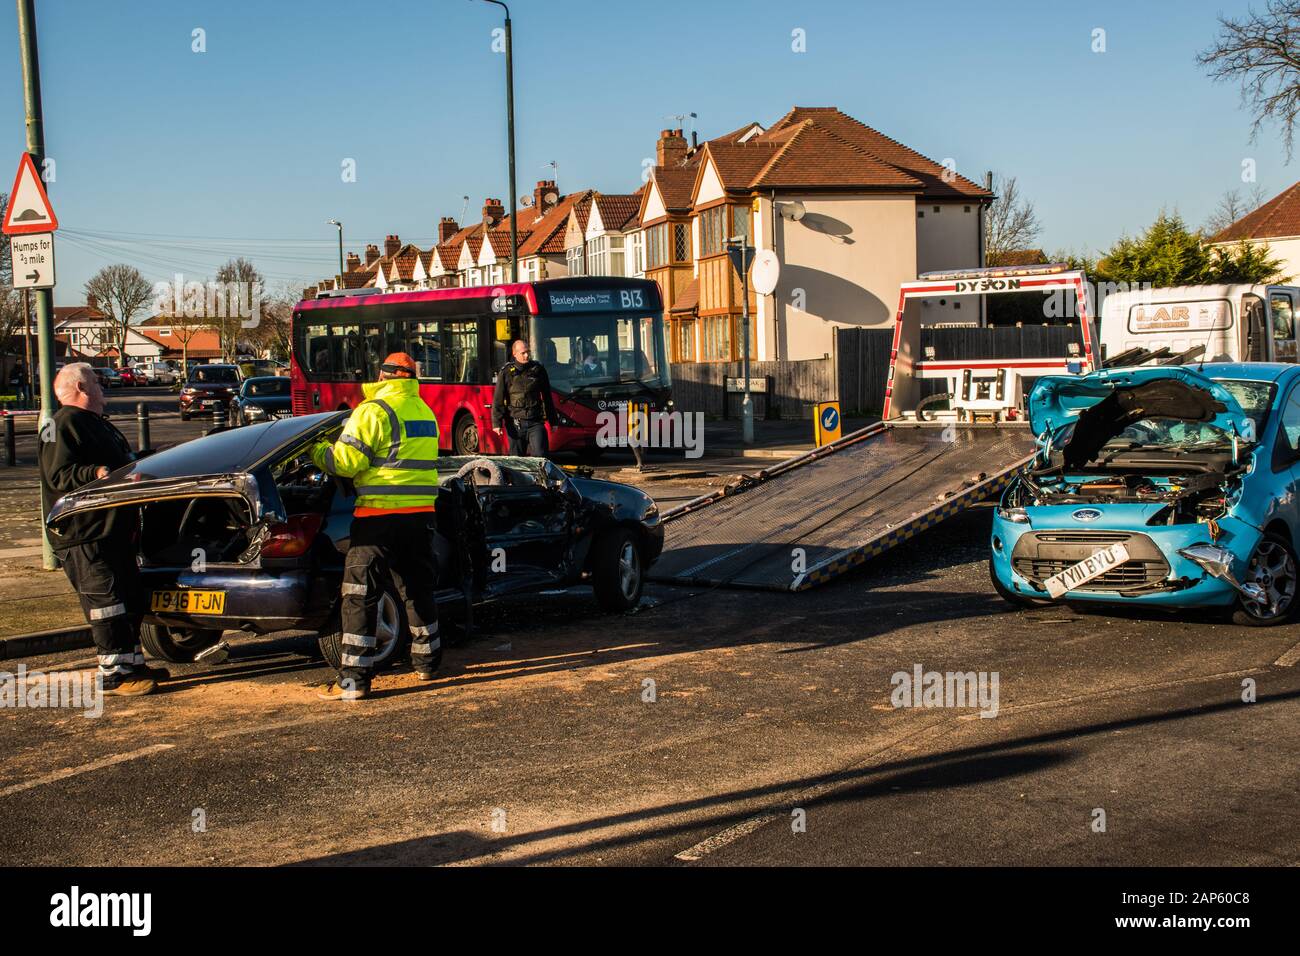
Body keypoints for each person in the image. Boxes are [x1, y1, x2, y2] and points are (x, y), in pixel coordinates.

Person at [310, 352, 442, 701]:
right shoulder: (424, 411)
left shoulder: (372, 411)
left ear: (383, 376)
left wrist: (315, 450)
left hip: (378, 516)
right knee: (416, 588)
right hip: (420, 515)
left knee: (359, 594)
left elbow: (346, 462)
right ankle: (427, 663)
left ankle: (353, 679)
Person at [39, 363, 162, 696]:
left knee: (128, 598)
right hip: (85, 534)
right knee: (106, 601)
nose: (102, 385)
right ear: (81, 387)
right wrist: (96, 472)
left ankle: (133, 662)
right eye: (95, 380)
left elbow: (125, 464)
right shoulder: (60, 424)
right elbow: (58, 475)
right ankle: (115, 673)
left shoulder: (94, 424)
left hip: (113, 531)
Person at [492, 339, 557, 457]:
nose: (527, 355)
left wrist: (553, 421)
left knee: (540, 457)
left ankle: (539, 476)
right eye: (523, 353)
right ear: (514, 354)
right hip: (515, 423)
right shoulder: (506, 372)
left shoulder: (538, 369)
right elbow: (498, 399)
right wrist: (497, 423)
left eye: (528, 352)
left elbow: (547, 396)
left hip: (535, 421)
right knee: (516, 461)